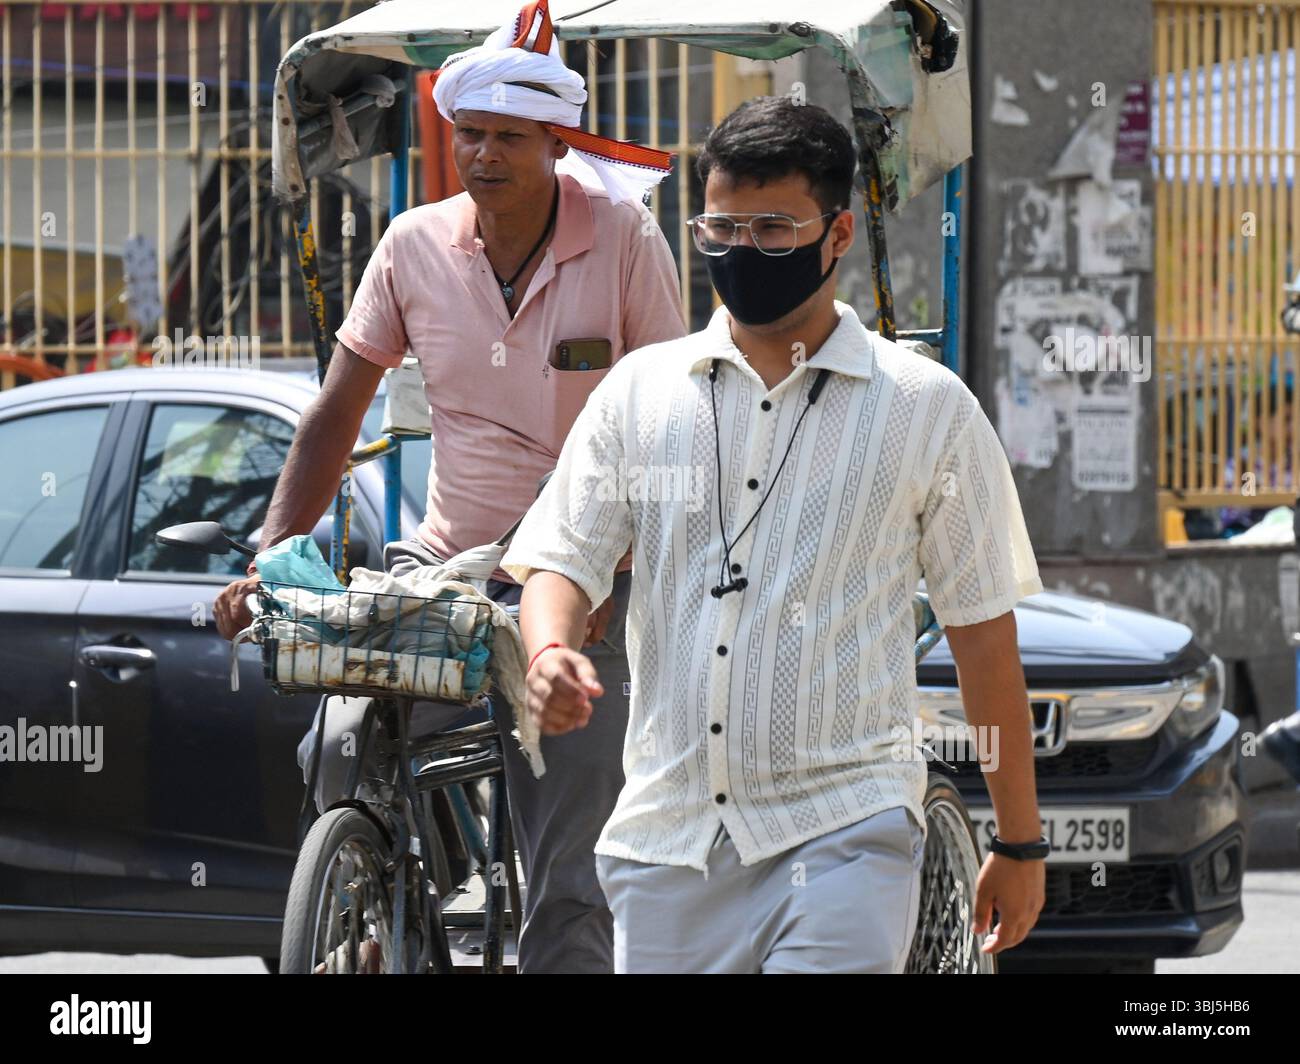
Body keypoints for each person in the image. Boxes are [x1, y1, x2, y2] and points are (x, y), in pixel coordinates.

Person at [502, 96, 1048, 973]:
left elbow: (983, 634)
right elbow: (561, 560)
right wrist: (548, 653)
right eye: (721, 228)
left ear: (838, 236)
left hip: (846, 827)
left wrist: (1019, 842)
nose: (742, 251)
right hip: (668, 841)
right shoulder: (639, 393)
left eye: (773, 230)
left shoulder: (926, 411)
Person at [213, 0, 686, 973]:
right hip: (448, 564)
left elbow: (674, 422)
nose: (484, 154)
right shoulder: (411, 244)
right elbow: (336, 412)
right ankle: (382, 888)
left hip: (590, 574)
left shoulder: (626, 238)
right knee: (340, 740)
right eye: (470, 133)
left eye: (509, 136)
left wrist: (617, 565)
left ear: (555, 142)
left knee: (570, 855)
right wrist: (268, 555)